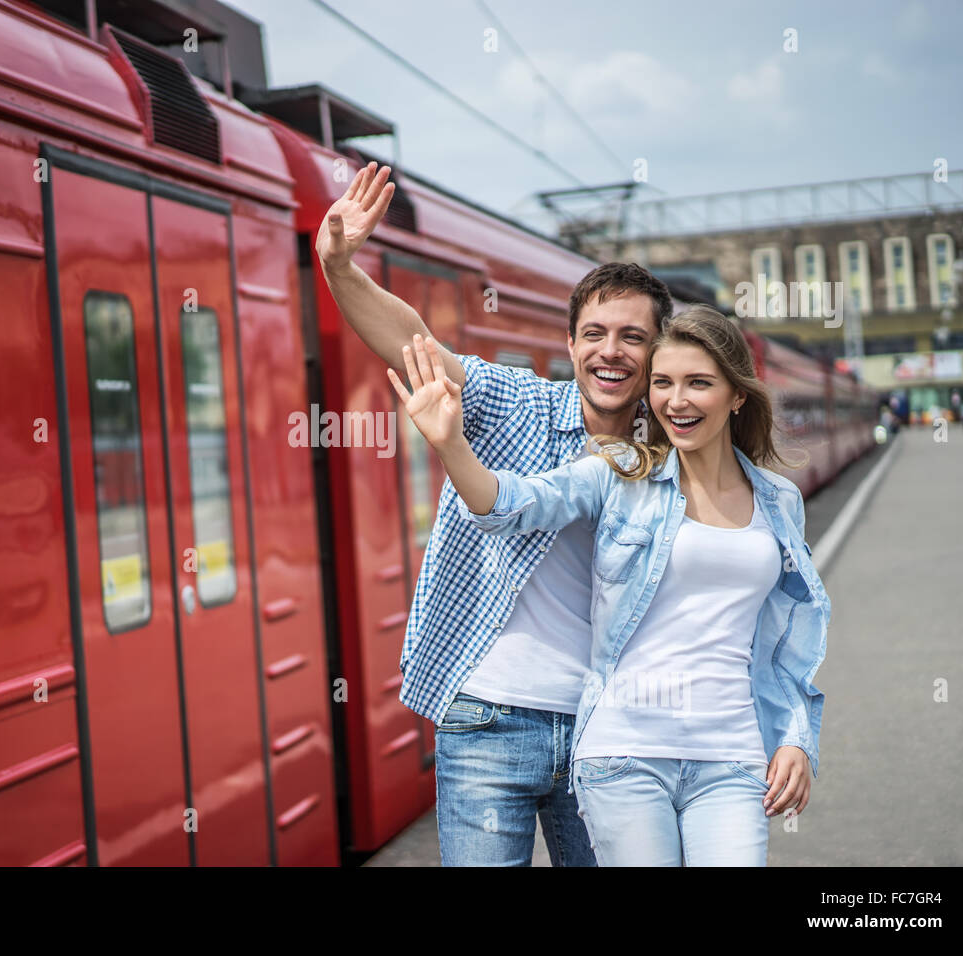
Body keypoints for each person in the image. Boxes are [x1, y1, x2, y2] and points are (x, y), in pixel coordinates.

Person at [316, 161, 673, 865]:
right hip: (488, 718)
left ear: (656, 353)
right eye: (594, 334)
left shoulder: (669, 459)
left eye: (632, 337)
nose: (611, 351)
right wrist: (338, 268)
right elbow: (416, 345)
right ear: (570, 347)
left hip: (611, 731)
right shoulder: (518, 403)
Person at [387, 306, 829, 866]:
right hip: (626, 753)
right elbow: (510, 506)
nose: (677, 401)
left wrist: (794, 736)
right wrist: (452, 445)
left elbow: (784, 640)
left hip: (732, 754)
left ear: (737, 395)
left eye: (699, 383)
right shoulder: (621, 475)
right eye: (663, 383)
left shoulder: (778, 500)